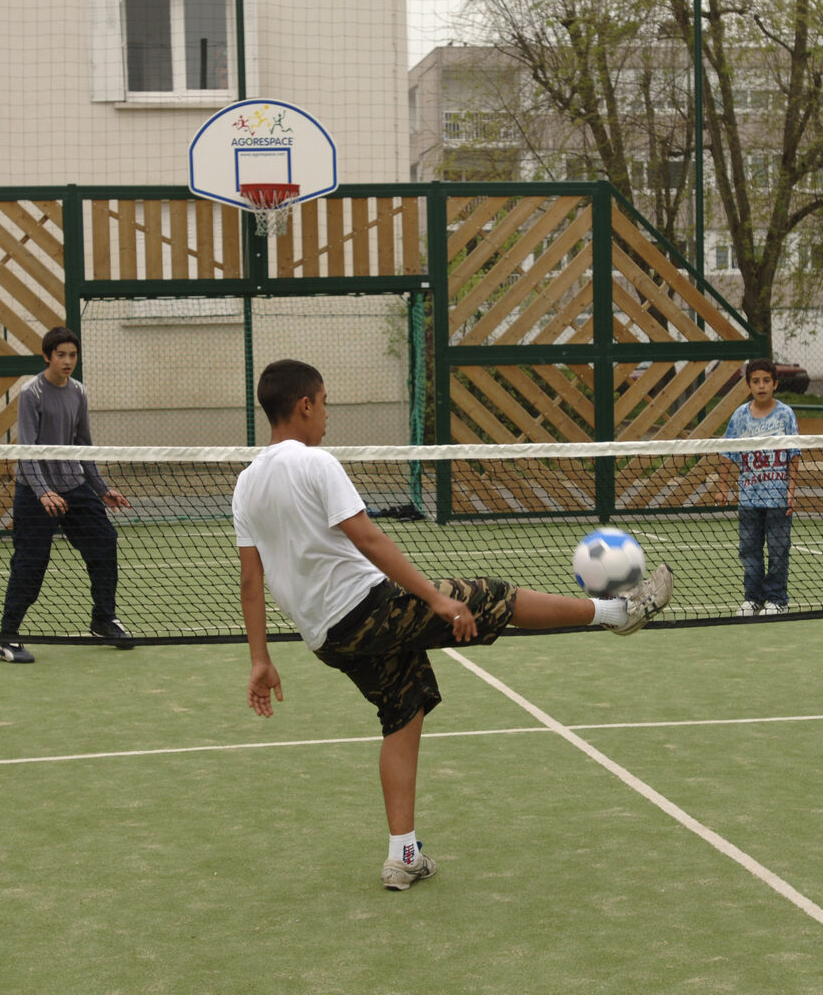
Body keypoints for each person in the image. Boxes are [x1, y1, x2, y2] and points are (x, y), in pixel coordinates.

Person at [232, 359, 674, 890]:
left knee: (405, 705)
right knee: (495, 597)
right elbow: (370, 540)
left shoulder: (245, 484)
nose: (327, 414)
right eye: (324, 402)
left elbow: (251, 582)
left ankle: (405, 855)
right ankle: (617, 613)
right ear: (304, 405)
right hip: (368, 608)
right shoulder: (315, 464)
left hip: (326, 638)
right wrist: (438, 602)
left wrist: (260, 658)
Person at [0, 326, 132, 663]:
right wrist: (42, 492)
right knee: (31, 564)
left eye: (73, 355)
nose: (68, 361)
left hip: (74, 487)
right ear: (47, 356)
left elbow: (83, 444)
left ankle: (103, 619)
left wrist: (101, 489)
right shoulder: (31, 393)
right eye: (61, 355)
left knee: (104, 543)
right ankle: (6, 638)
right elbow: (27, 448)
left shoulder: (79, 392)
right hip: (34, 491)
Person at [719, 358, 800, 617]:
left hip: (777, 499)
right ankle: (753, 599)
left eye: (766, 381)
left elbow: (793, 454)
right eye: (756, 381)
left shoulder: (786, 414)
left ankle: (777, 599)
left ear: (775, 384)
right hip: (749, 499)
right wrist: (723, 486)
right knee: (749, 552)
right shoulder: (740, 416)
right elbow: (728, 453)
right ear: (749, 385)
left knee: (778, 551)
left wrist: (791, 491)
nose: (761, 386)